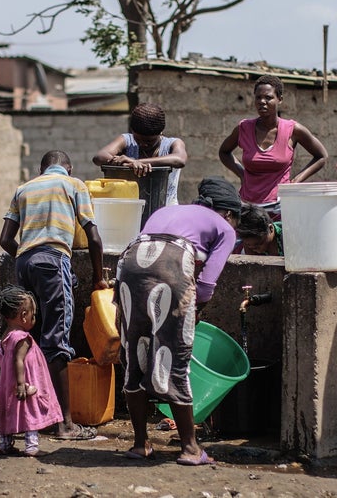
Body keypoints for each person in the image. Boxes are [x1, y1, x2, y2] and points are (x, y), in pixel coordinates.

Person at [117, 176, 259, 466]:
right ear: (228, 213)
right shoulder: (224, 228)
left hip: (130, 264)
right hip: (170, 265)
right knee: (174, 359)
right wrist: (193, 314)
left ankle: (140, 444)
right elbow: (206, 286)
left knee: (135, 355)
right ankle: (190, 448)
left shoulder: (166, 211)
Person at [0, 150, 106, 440]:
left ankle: (35, 416)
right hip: (53, 259)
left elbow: (5, 239)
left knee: (30, 340)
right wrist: (98, 277)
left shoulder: (23, 188)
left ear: (41, 170)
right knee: (56, 341)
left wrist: (29, 256)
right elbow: (93, 237)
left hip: (24, 263)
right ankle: (64, 424)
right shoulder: (74, 185)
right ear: (68, 169)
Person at [218, 75, 328, 219]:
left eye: (268, 97)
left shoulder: (292, 130)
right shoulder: (244, 128)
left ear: (279, 99)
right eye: (258, 97)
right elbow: (224, 152)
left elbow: (321, 156)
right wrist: (241, 174)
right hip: (248, 208)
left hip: (279, 208)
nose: (262, 102)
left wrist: (296, 181)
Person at [0, 284, 63, 457]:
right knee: (30, 411)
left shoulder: (6, 335)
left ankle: (5, 445)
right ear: (23, 316)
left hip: (7, 384)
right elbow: (18, 360)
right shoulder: (23, 338)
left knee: (8, 411)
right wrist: (21, 383)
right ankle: (31, 447)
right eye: (32, 315)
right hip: (24, 383)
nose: (33, 318)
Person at [92, 102, 187, 205]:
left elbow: (180, 159)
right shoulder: (127, 140)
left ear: (160, 132)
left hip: (165, 208)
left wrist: (137, 161)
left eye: (149, 141)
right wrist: (129, 164)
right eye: (137, 139)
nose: (142, 144)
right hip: (130, 209)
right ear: (132, 131)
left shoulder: (172, 144)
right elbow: (99, 157)